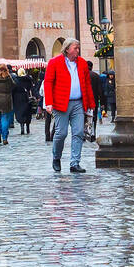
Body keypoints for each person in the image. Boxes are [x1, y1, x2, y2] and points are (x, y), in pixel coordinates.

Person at [43, 41, 91, 174]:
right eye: (75, 48)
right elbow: (48, 82)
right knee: (61, 133)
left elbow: (87, 84)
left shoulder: (82, 63)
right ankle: (56, 157)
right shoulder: (55, 62)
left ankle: (75, 163)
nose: (78, 50)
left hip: (78, 103)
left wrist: (90, 103)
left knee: (79, 133)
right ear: (67, 49)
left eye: (78, 48)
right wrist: (49, 102)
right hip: (61, 103)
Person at [12, 66, 34, 135]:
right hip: (26, 97)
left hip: (17, 98)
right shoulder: (28, 80)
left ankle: (22, 126)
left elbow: (13, 90)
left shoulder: (16, 80)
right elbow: (31, 88)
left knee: (20, 113)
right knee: (27, 113)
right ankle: (27, 127)